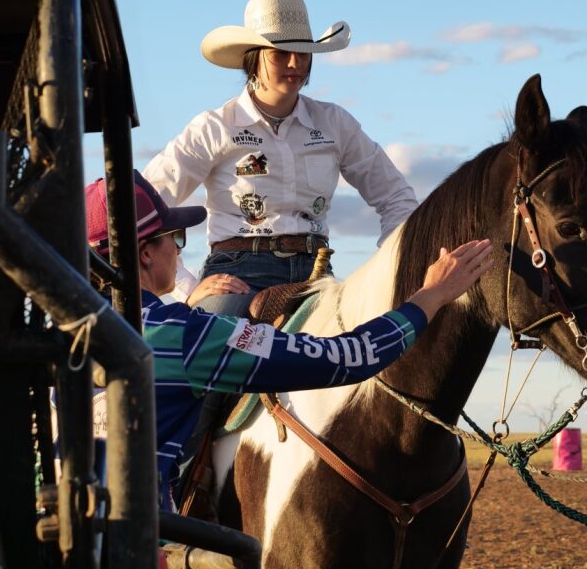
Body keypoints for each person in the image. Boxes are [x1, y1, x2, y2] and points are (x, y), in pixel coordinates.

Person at [84, 171, 491, 511]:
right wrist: (430, 295)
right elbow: (345, 357)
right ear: (144, 254)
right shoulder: (184, 336)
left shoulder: (62, 333)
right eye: (174, 237)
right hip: (133, 555)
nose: (177, 248)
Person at [144, 0, 418, 314]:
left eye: (303, 53)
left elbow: (397, 197)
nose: (294, 63)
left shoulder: (335, 124)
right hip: (236, 273)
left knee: (366, 348)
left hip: (317, 274)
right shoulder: (214, 127)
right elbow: (143, 209)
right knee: (211, 349)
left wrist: (389, 268)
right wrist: (188, 289)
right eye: (280, 53)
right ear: (252, 58)